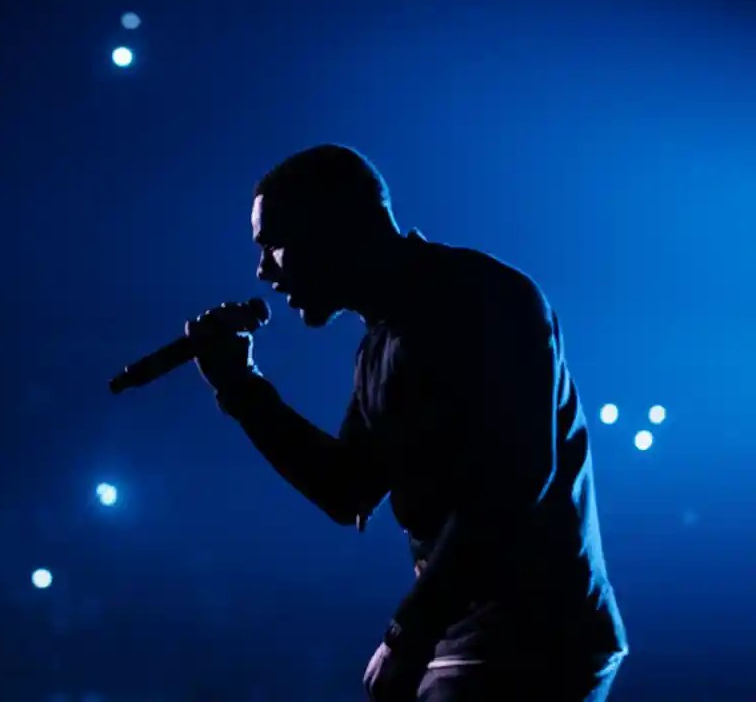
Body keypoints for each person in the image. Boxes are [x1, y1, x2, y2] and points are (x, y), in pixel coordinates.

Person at [185, 145, 628, 701]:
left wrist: (407, 632)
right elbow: (346, 488)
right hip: (471, 636)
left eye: (274, 244)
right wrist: (241, 388)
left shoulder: (481, 297)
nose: (263, 272)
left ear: (333, 229)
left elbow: (513, 483)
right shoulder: (380, 343)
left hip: (535, 634)